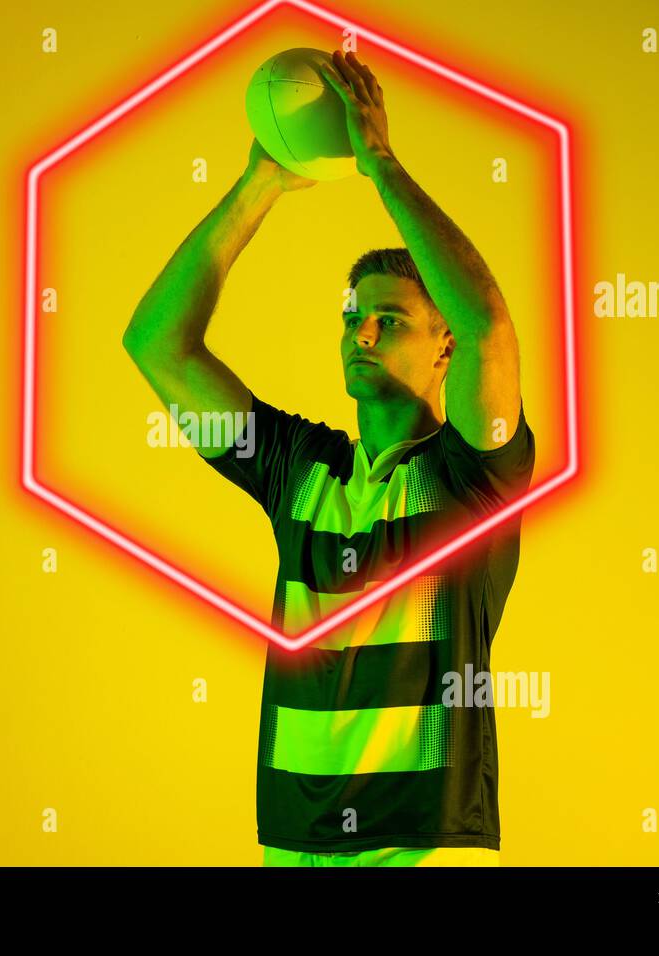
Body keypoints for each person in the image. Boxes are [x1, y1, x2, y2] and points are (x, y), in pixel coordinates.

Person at [123, 50, 535, 867]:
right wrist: (260, 185)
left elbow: (489, 320)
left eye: (390, 318)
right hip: (292, 842)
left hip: (421, 843)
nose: (364, 333)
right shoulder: (299, 469)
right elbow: (156, 343)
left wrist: (380, 163)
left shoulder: (469, 478)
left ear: (442, 344)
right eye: (355, 318)